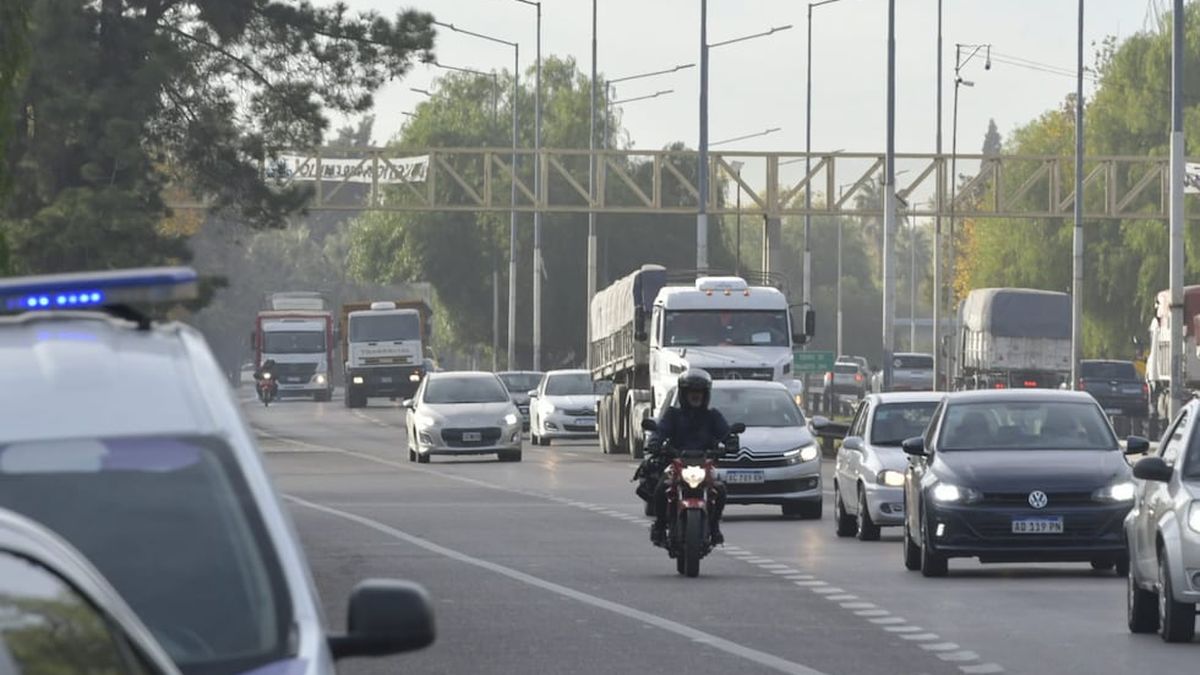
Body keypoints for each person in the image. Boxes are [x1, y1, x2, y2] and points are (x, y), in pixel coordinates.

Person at [645, 369, 731, 546]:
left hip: (704, 463)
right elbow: (660, 432)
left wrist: (731, 443)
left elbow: (726, 433)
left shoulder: (712, 416)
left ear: (705, 394)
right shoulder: (673, 415)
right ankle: (660, 525)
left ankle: (714, 526)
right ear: (684, 394)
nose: (695, 396)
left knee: (720, 490)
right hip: (677, 463)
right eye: (692, 392)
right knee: (662, 488)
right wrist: (654, 442)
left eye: (699, 392)